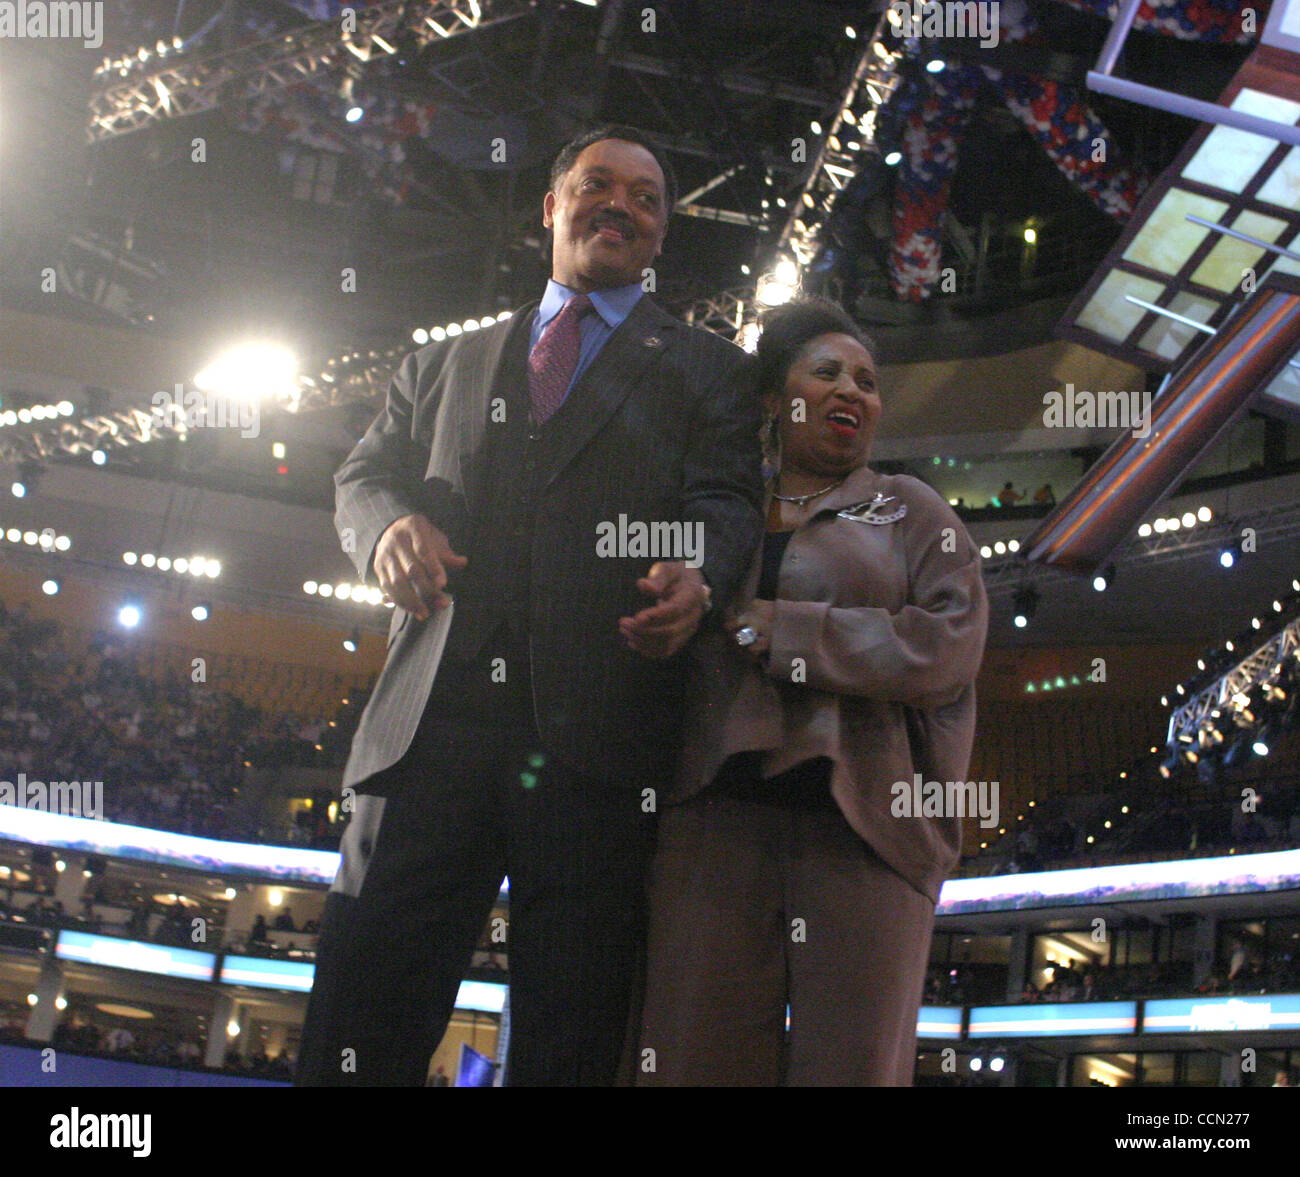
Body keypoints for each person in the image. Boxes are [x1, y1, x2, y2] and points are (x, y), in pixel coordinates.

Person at [295, 124, 763, 1087]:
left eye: (646, 197)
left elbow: (727, 502)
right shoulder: (443, 363)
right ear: (550, 206)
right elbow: (363, 474)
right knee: (361, 1010)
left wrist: (700, 571)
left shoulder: (713, 369)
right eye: (598, 185)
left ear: (663, 234)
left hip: (602, 741)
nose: (621, 207)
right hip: (429, 731)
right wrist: (384, 527)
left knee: (571, 1035)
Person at [638, 297, 987, 1086]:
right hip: (710, 824)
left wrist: (786, 631)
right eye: (826, 372)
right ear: (771, 399)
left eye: (866, 380)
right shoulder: (716, 513)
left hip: (864, 832)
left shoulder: (911, 508)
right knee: (690, 1063)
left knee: (852, 1071)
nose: (853, 392)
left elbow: (951, 649)